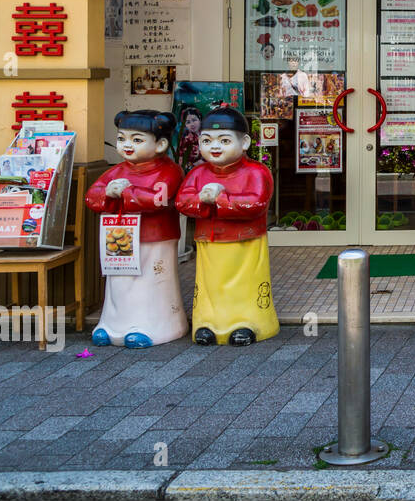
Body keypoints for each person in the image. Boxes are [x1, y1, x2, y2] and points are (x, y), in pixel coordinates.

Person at [175, 105, 278, 346]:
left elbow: (257, 202)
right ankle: (207, 323)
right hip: (209, 241)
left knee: (245, 283)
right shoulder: (198, 173)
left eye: (224, 140)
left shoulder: (256, 172)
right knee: (211, 285)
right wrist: (201, 198)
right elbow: (181, 201)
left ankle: (247, 322)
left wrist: (221, 198)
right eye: (207, 140)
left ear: (244, 143)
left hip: (245, 241)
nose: (215, 147)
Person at [84, 110, 188, 348]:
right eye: (122, 139)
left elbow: (158, 200)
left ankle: (154, 325)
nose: (127, 145)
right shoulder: (117, 171)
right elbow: (92, 197)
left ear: (160, 144)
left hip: (155, 238)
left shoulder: (169, 170)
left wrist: (127, 192)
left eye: (137, 140)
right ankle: (112, 324)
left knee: (149, 283)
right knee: (119, 283)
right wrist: (108, 193)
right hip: (121, 235)